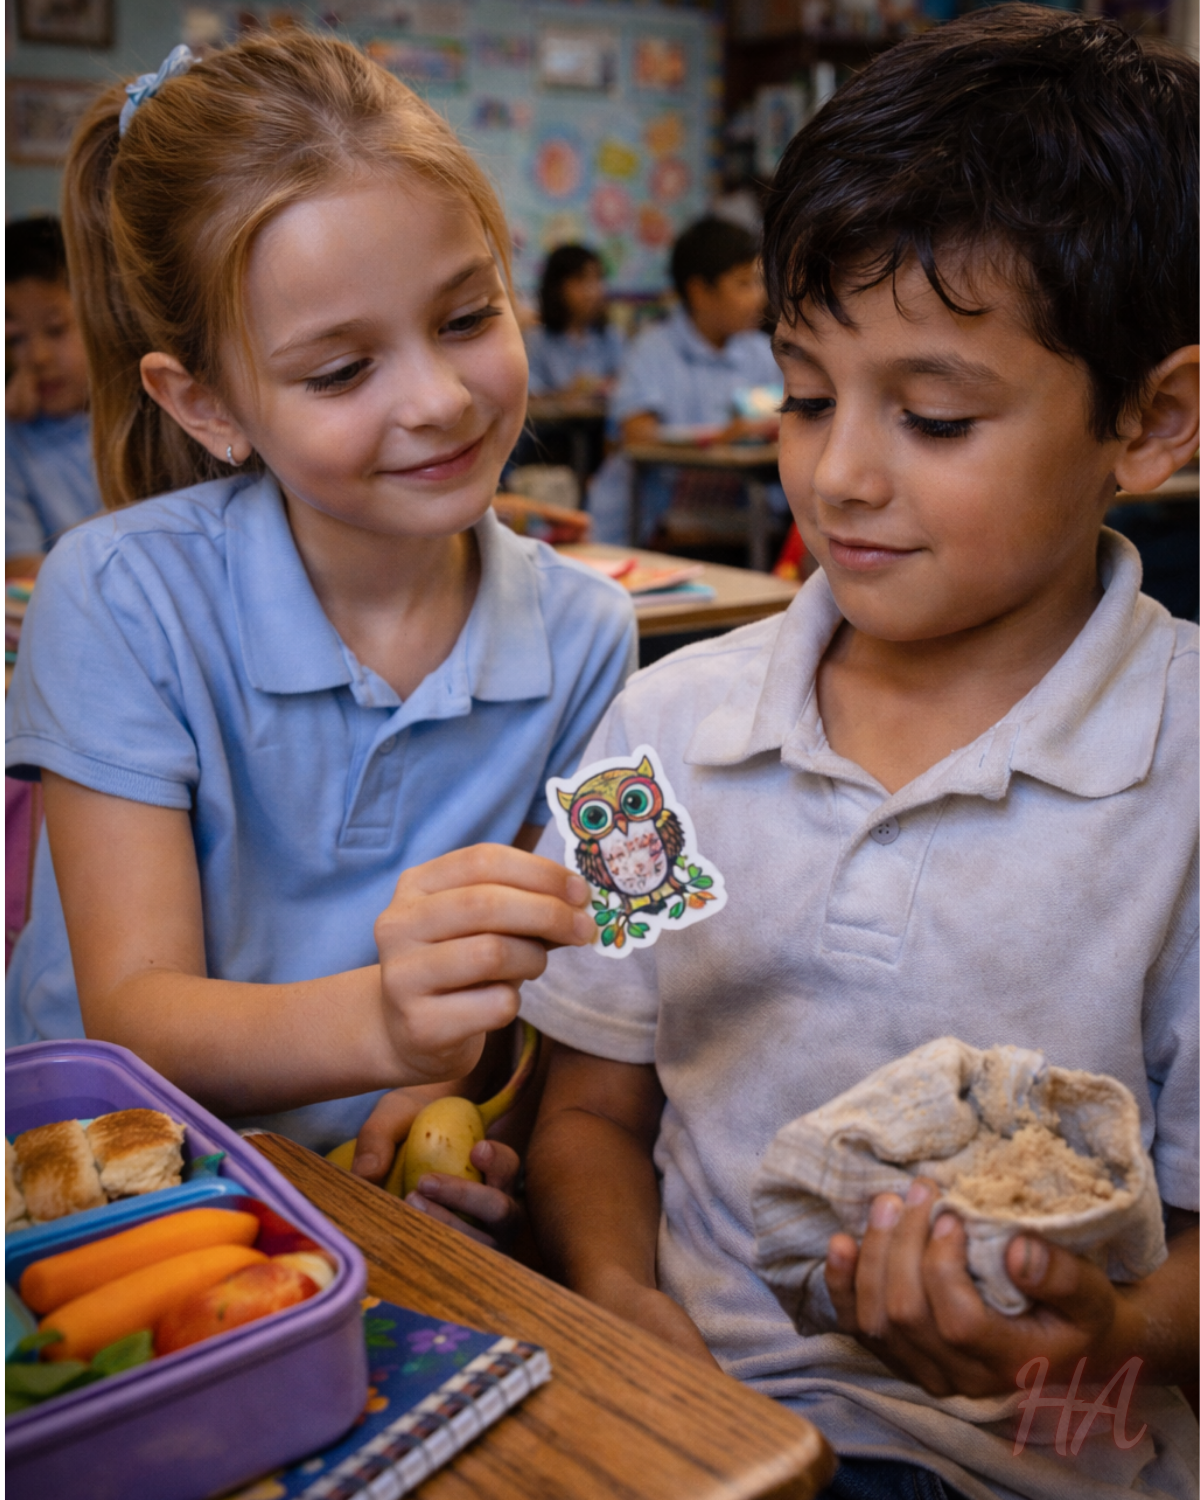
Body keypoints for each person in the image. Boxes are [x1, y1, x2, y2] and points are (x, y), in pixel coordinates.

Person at [521, 10, 1198, 1498]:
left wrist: (1120, 1331)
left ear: (1151, 422)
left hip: (1040, 1451)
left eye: (936, 414)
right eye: (808, 396)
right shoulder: (656, 729)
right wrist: (623, 1305)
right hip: (691, 1418)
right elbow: (588, 1103)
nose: (840, 473)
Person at [5, 33, 636, 1249]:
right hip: (107, 1193)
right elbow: (132, 1017)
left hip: (377, 1211)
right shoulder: (120, 595)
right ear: (207, 406)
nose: (440, 400)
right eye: (344, 369)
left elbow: (573, 965)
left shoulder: (593, 636)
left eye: (467, 316)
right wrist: (389, 1028)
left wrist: (455, 1085)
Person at [587, 214, 785, 546]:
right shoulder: (654, 348)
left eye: (759, 282)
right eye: (743, 284)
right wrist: (721, 436)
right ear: (700, 292)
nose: (759, 297)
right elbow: (637, 434)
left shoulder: (761, 352)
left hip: (736, 520)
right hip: (645, 525)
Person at [6, 216, 102, 578]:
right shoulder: (12, 441)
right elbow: (19, 572)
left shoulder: (143, 414)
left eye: (55, 329)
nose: (38, 357)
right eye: (15, 339)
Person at [524, 244, 623, 399]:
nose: (593, 291)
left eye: (598, 279)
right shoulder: (536, 340)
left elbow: (629, 383)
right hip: (553, 423)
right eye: (581, 280)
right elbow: (528, 392)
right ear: (557, 287)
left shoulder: (611, 336)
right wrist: (565, 394)